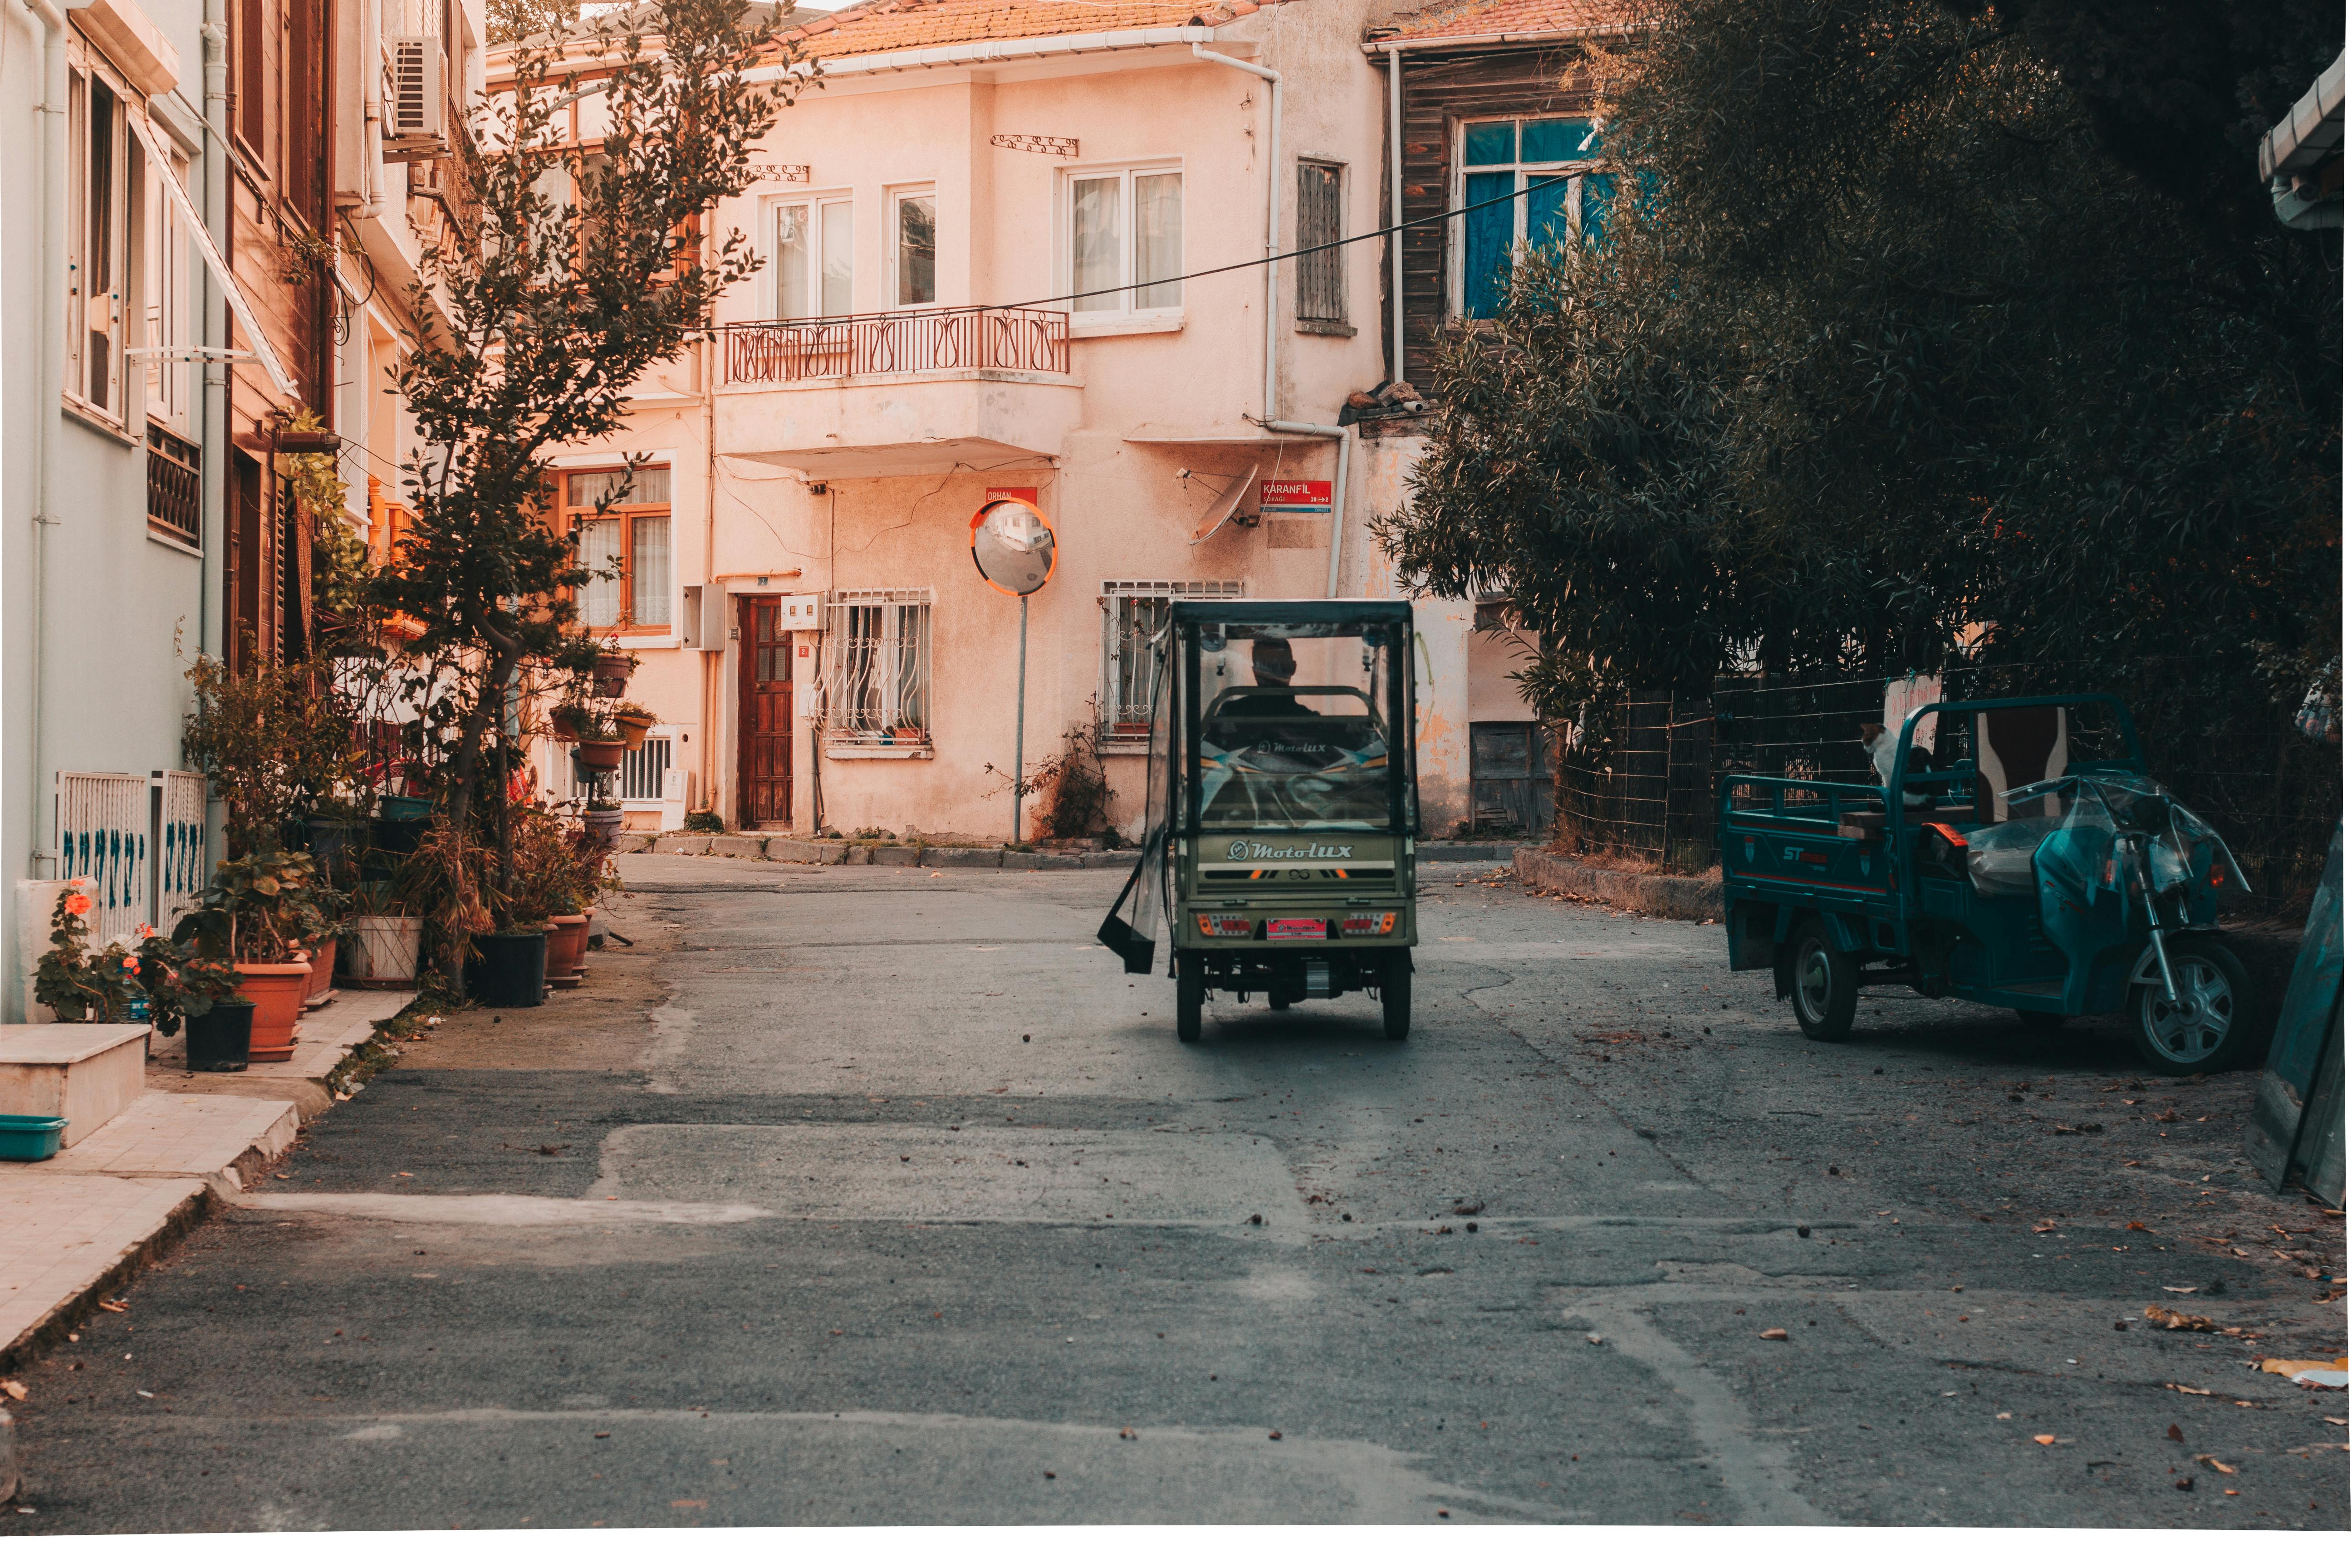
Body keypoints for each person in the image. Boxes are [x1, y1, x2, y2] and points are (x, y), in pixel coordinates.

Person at [1215, 637, 1317, 720]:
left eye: (1278, 666)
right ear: (1293, 668)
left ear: (1255, 673)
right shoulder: (1311, 721)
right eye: (1265, 667)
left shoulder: (1232, 713)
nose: (1272, 674)